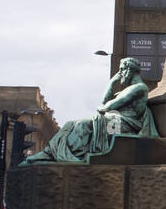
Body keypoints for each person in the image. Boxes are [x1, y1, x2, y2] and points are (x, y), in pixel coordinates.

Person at [23, 56, 158, 164]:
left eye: (122, 70)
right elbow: (104, 102)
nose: (120, 74)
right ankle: (50, 153)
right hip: (115, 120)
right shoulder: (129, 88)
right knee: (70, 124)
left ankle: (60, 154)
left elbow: (109, 105)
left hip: (124, 124)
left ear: (129, 70)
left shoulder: (139, 88)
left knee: (82, 125)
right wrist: (112, 82)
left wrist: (104, 108)